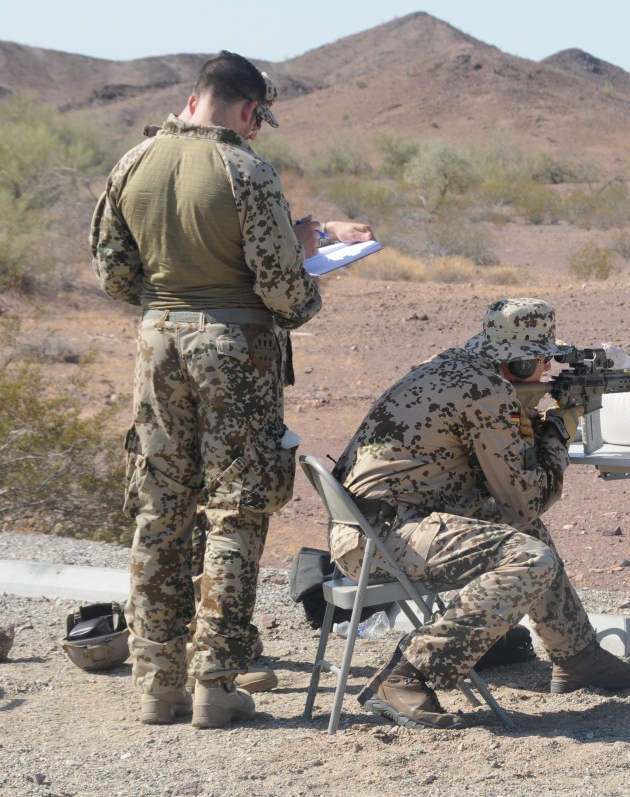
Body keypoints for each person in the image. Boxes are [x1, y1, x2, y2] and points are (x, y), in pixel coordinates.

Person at [90, 50, 371, 729]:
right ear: (248, 109)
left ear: (195, 97)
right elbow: (288, 297)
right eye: (259, 119)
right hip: (235, 350)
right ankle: (215, 680)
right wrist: (304, 265)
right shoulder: (246, 170)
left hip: (156, 344)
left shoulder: (132, 162)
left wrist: (175, 291)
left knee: (159, 507)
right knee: (235, 509)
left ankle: (158, 680)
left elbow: (114, 275)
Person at [330, 297, 630, 730]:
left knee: (523, 531)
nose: (545, 372)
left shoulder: (452, 367)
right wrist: (558, 429)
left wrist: (534, 422)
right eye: (541, 363)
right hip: (386, 537)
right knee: (530, 557)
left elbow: (510, 501)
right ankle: (407, 673)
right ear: (517, 366)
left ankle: (576, 654)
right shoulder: (488, 392)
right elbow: (525, 497)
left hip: (374, 525)